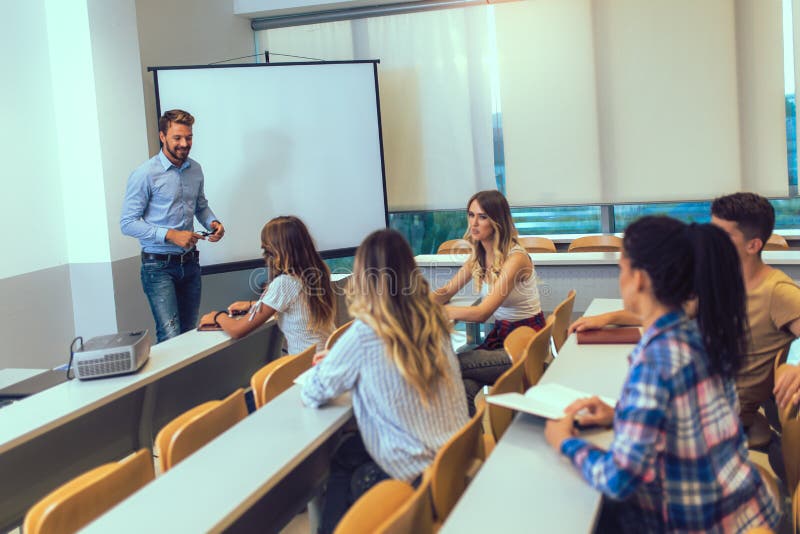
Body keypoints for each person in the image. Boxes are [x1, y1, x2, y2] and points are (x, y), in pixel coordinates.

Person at [545, 216, 779, 532]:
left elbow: (618, 480)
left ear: (639, 279)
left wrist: (564, 442)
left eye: (621, 268)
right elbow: (688, 420)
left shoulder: (656, 361)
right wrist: (620, 415)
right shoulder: (701, 333)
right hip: (743, 509)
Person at [569, 192, 800, 444]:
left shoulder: (777, 291)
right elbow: (667, 307)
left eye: (721, 235)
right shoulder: (721, 279)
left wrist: (796, 365)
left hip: (718, 415)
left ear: (753, 245)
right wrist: (608, 317)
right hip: (696, 398)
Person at [301, 229, 469, 533]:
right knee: (349, 451)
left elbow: (314, 391)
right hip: (453, 465)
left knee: (343, 465)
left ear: (363, 277)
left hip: (416, 481)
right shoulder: (433, 318)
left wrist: (336, 363)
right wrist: (345, 362)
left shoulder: (365, 332)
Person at [432, 190, 544, 413]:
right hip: (501, 338)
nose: (474, 223)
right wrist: (412, 304)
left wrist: (442, 312)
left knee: (451, 364)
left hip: (524, 343)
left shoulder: (516, 258)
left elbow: (483, 313)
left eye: (482, 217)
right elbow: (447, 291)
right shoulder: (479, 255)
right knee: (465, 385)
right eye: (471, 215)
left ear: (496, 221)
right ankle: (471, 434)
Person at [121, 109, 224, 343]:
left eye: (189, 137)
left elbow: (200, 206)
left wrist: (213, 222)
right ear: (162, 136)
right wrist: (170, 235)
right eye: (177, 138)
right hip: (158, 268)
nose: (184, 144)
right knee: (170, 337)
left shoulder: (195, 169)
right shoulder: (145, 174)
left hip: (190, 263)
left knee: (189, 335)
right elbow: (127, 223)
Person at [199, 216, 335, 353]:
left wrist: (217, 316)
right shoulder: (317, 273)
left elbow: (237, 330)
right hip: (327, 356)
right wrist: (251, 304)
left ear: (274, 252)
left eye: (265, 250)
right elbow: (297, 305)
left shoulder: (285, 283)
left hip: (307, 364)